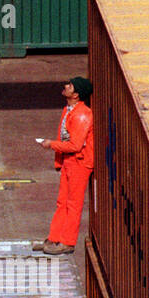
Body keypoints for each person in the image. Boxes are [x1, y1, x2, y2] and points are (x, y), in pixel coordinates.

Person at [33, 76, 94, 255]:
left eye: (70, 85)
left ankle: (67, 242)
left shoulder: (82, 114)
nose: (65, 86)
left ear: (76, 94)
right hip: (69, 160)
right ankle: (54, 238)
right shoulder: (68, 109)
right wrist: (59, 160)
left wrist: (50, 144)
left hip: (79, 162)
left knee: (73, 204)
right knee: (62, 202)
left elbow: (75, 145)